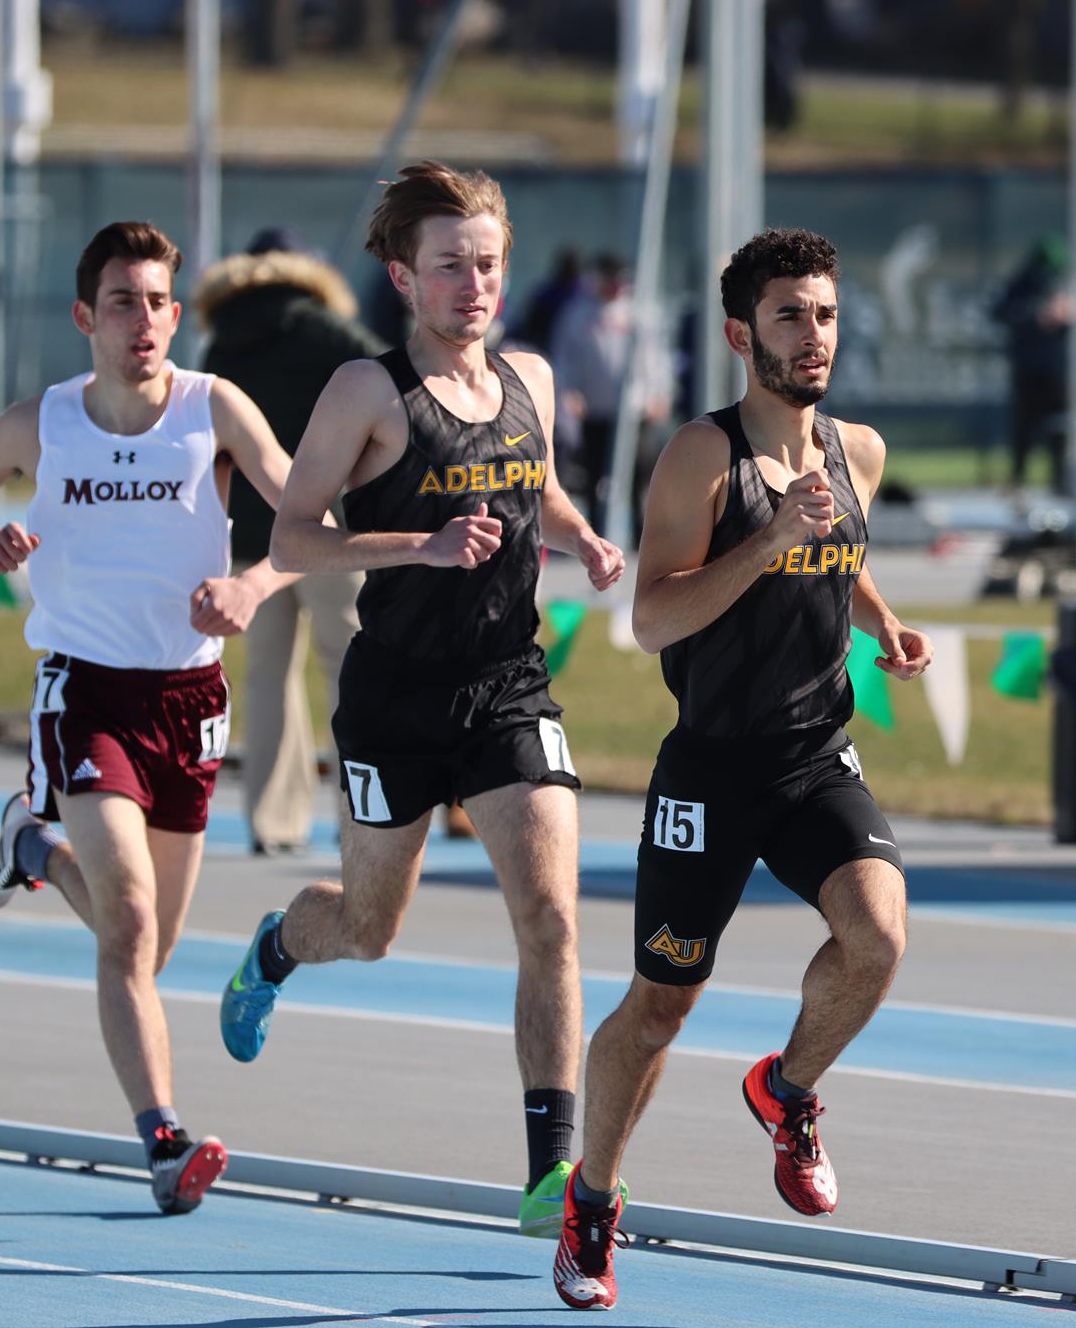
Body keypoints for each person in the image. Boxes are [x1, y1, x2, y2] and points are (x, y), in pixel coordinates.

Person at [219, 163, 626, 1239]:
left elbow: (529, 483)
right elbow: (293, 534)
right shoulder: (366, 390)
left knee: (549, 916)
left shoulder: (531, 377)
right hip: (394, 694)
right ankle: (273, 948)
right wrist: (421, 546)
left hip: (507, 684)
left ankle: (553, 1171)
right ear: (404, 277)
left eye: (487, 262)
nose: (474, 283)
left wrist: (578, 534)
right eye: (450, 265)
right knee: (366, 928)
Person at [553, 228, 932, 1311]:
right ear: (738, 334)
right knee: (661, 1004)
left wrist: (888, 625)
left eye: (821, 314)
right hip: (709, 769)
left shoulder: (856, 451)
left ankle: (788, 1087)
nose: (810, 336)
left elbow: (839, 561)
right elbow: (651, 616)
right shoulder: (699, 458)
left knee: (878, 936)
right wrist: (762, 545)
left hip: (815, 755)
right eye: (786, 317)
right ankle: (592, 1198)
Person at [0, 220, 306, 1215]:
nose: (143, 319)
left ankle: (31, 849)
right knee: (126, 925)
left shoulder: (215, 410)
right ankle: (164, 1139)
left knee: (149, 950)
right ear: (87, 317)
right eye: (122, 301)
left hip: (190, 699)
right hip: (83, 690)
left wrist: (254, 584)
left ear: (178, 313)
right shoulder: (39, 423)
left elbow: (307, 525)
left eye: (158, 301)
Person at [195, 226, 388, 855]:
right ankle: (361, 814)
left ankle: (273, 821)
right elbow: (390, 383)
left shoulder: (221, 338)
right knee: (350, 670)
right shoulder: (325, 330)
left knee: (267, 675)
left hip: (253, 533)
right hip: (326, 526)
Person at [548, 251, 673, 540]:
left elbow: (656, 359)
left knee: (639, 477)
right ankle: (595, 535)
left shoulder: (640, 313)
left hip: (634, 411)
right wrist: (568, 393)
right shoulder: (578, 314)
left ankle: (642, 539)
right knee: (593, 476)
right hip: (596, 410)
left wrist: (659, 394)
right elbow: (564, 358)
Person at [992, 236, 1073, 495]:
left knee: (1059, 427)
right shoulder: (1020, 287)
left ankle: (1060, 480)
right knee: (1024, 428)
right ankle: (1017, 480)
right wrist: (1037, 315)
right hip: (1027, 370)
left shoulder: (1065, 286)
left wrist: (1068, 315)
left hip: (1057, 371)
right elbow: (1001, 312)